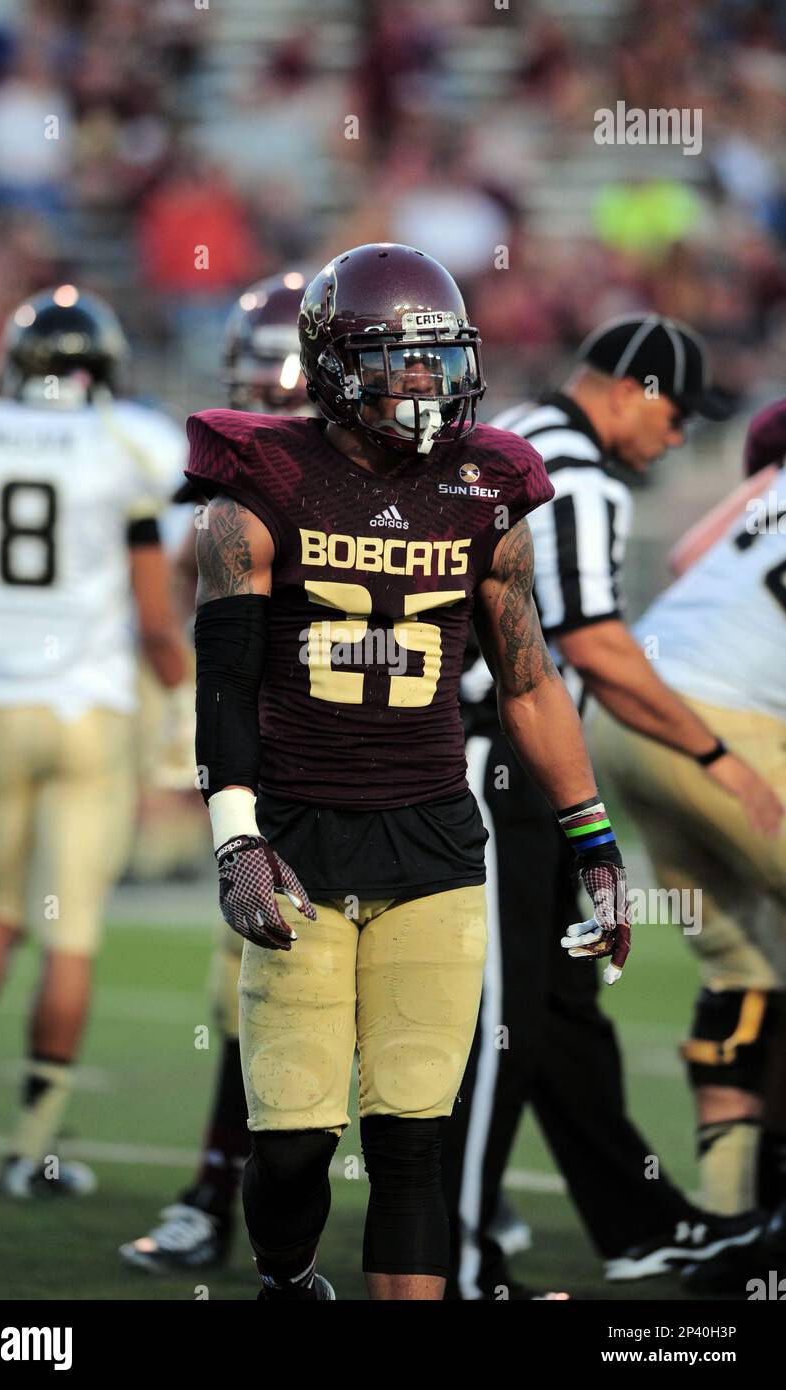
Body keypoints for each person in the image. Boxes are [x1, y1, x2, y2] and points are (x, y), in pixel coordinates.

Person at [184, 242, 632, 1302]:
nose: (426, 381)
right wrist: (236, 838)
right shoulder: (255, 485)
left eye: (439, 358)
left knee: (411, 1136)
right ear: (335, 366)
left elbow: (528, 685)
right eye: (399, 359)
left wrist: (594, 840)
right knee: (290, 1142)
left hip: (433, 841)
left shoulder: (487, 488)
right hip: (295, 834)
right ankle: (287, 1279)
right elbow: (225, 687)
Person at [442, 314, 781, 1297]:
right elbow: (592, 644)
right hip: (496, 755)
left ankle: (638, 1221)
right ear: (630, 388)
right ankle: (457, 1258)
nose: (676, 440)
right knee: (502, 1016)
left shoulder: (516, 433)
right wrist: (714, 754)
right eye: (675, 416)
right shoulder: (575, 478)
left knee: (560, 1007)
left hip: (516, 757)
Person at [0, 286, 187, 1196]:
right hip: (89, 712)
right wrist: (190, 706)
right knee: (68, 935)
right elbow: (156, 620)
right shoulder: (129, 446)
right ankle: (34, 1147)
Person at [120, 270, 315, 1271]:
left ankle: (463, 1206)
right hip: (262, 757)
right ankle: (215, 1193)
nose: (272, 399)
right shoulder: (223, 482)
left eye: (282, 383)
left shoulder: (371, 479)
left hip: (373, 755)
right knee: (246, 981)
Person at [593, 398, 786, 1282]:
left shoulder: (767, 489)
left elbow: (683, 555)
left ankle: (728, 1221)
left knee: (742, 972)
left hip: (631, 709)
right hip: (720, 725)